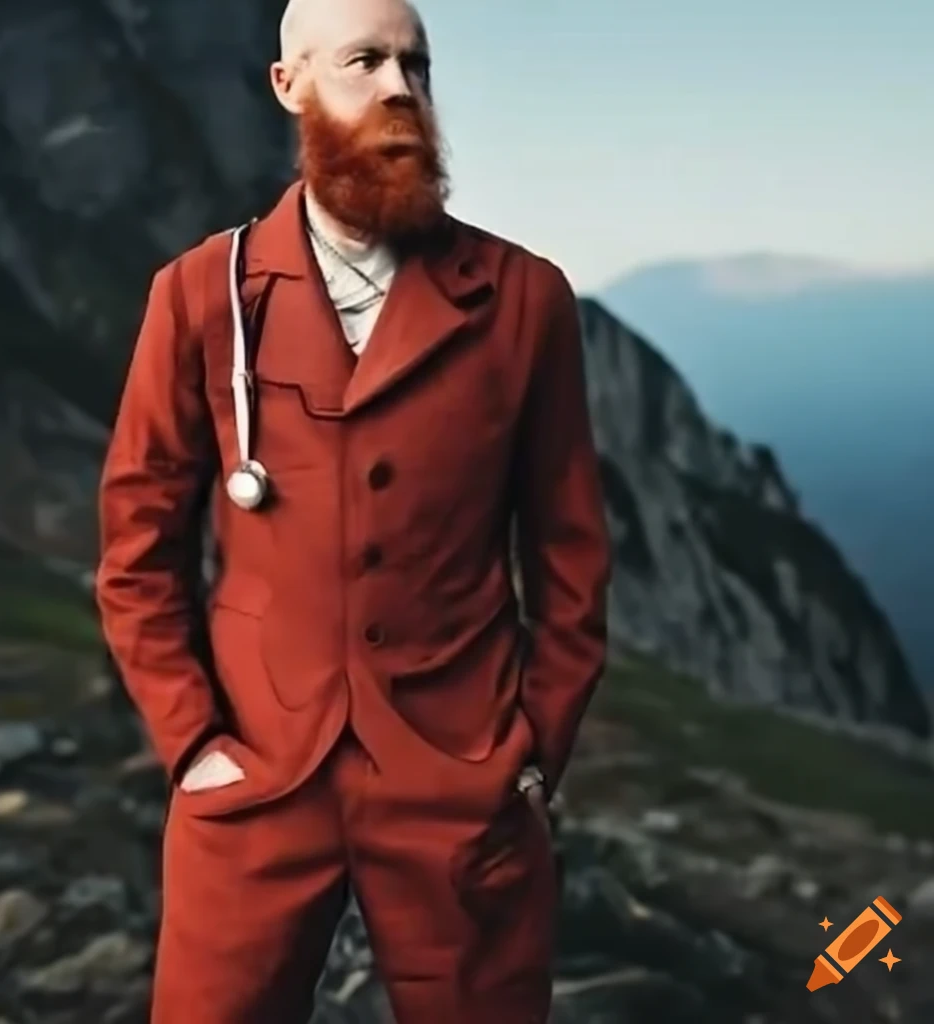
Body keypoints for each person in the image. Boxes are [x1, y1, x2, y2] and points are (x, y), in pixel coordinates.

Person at [94, 0, 611, 1020]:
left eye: (415, 66)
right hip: (254, 777)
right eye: (363, 61)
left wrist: (534, 750)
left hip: (461, 785)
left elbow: (568, 552)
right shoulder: (200, 294)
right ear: (289, 86)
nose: (397, 90)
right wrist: (193, 742)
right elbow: (137, 550)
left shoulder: (522, 298)